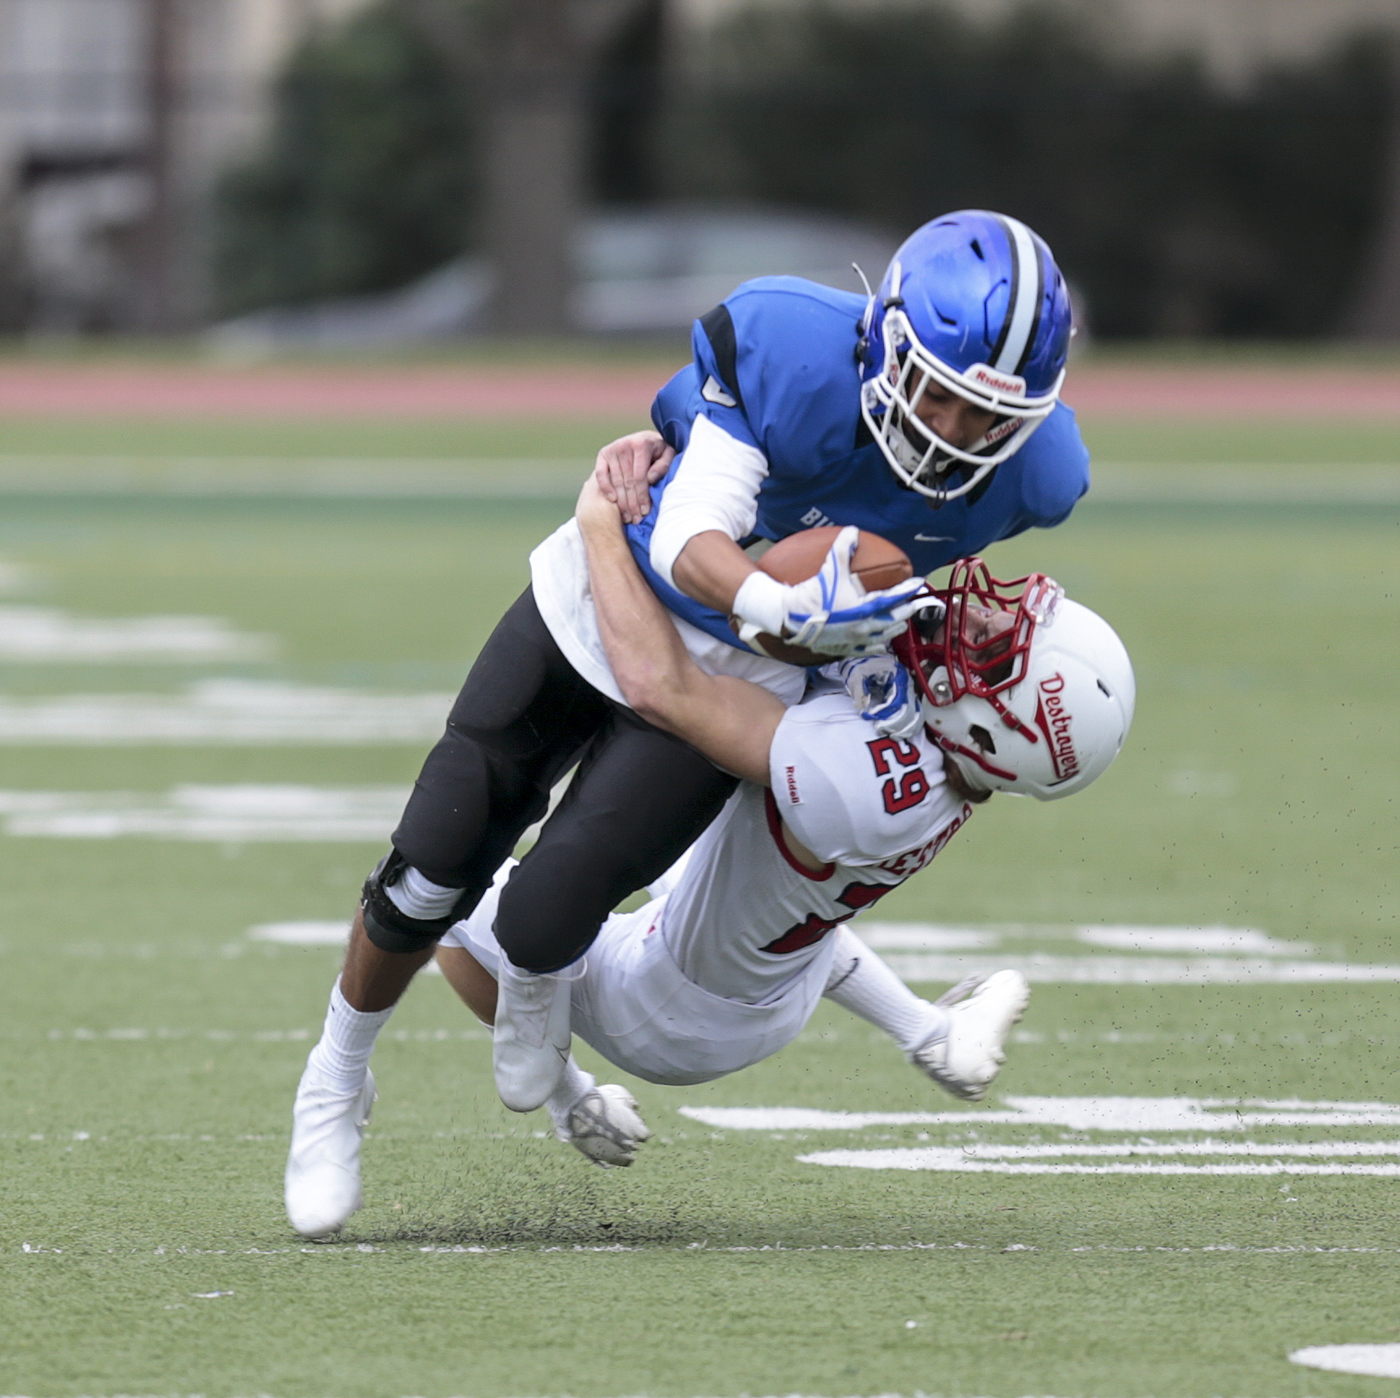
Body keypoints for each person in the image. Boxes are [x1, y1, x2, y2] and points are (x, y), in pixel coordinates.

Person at [284, 209, 1090, 1236]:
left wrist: (810, 635)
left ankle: (535, 1009)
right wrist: (771, 599)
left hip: (732, 679)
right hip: (611, 591)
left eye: (989, 418)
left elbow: (882, 591)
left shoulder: (1036, 478)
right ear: (883, 345)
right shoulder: (791, 355)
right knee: (432, 860)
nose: (956, 435)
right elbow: (689, 541)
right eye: (940, 394)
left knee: (560, 896)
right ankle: (335, 1076)